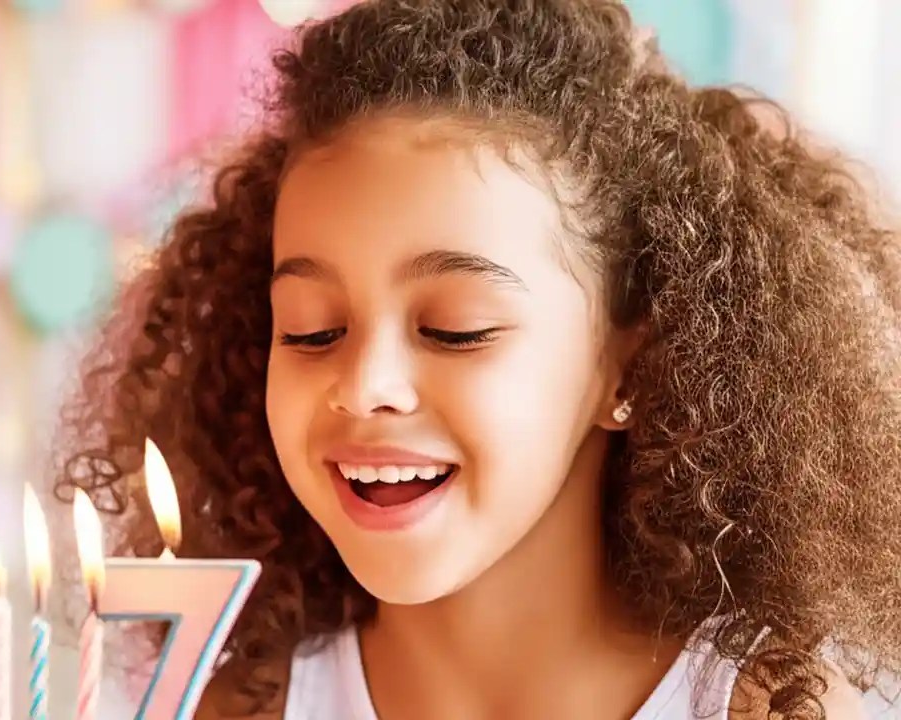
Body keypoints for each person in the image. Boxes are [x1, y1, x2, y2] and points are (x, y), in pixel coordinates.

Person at [54, 1, 901, 717]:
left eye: (456, 329)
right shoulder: (245, 702)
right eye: (311, 330)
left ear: (627, 365)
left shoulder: (765, 701)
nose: (365, 387)